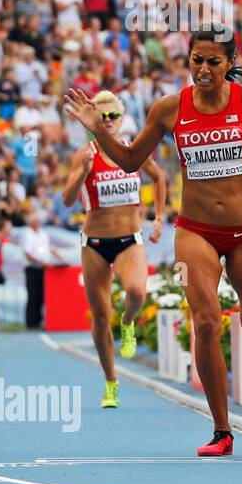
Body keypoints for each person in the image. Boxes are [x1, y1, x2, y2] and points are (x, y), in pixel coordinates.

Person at [64, 25, 242, 456]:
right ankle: (222, 430)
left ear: (231, 63)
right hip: (195, 230)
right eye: (196, 60)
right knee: (203, 320)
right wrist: (98, 131)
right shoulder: (168, 109)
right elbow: (128, 161)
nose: (203, 69)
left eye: (213, 62)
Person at [60, 90, 165, 409]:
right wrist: (82, 173)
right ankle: (110, 382)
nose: (107, 121)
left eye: (112, 116)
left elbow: (159, 177)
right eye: (101, 116)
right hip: (94, 242)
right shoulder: (86, 153)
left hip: (128, 238)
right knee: (101, 314)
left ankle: (130, 322)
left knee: (136, 293)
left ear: (121, 120)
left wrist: (159, 218)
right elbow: (67, 200)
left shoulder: (132, 150)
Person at [20, 208, 69, 330]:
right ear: (31, 222)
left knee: (42, 295)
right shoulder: (27, 234)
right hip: (32, 268)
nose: (38, 223)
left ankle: (41, 321)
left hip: (43, 269)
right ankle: (31, 323)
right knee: (33, 296)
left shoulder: (43, 234)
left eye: (39, 221)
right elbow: (28, 255)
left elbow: (50, 248)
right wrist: (43, 262)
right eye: (36, 221)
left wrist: (62, 259)